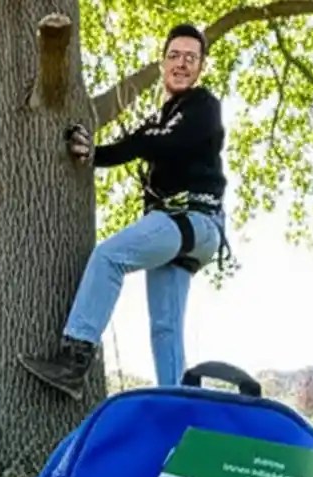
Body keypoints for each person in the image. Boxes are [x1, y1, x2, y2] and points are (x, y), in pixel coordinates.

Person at [18, 22, 228, 401]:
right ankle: (177, 410)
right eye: (174, 56)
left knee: (109, 257)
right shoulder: (158, 119)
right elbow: (128, 146)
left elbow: (164, 143)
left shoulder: (203, 105)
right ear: (163, 62)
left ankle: (74, 359)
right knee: (165, 327)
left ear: (201, 67)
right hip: (181, 233)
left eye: (191, 58)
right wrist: (92, 153)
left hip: (195, 221)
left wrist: (131, 144)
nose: (182, 64)